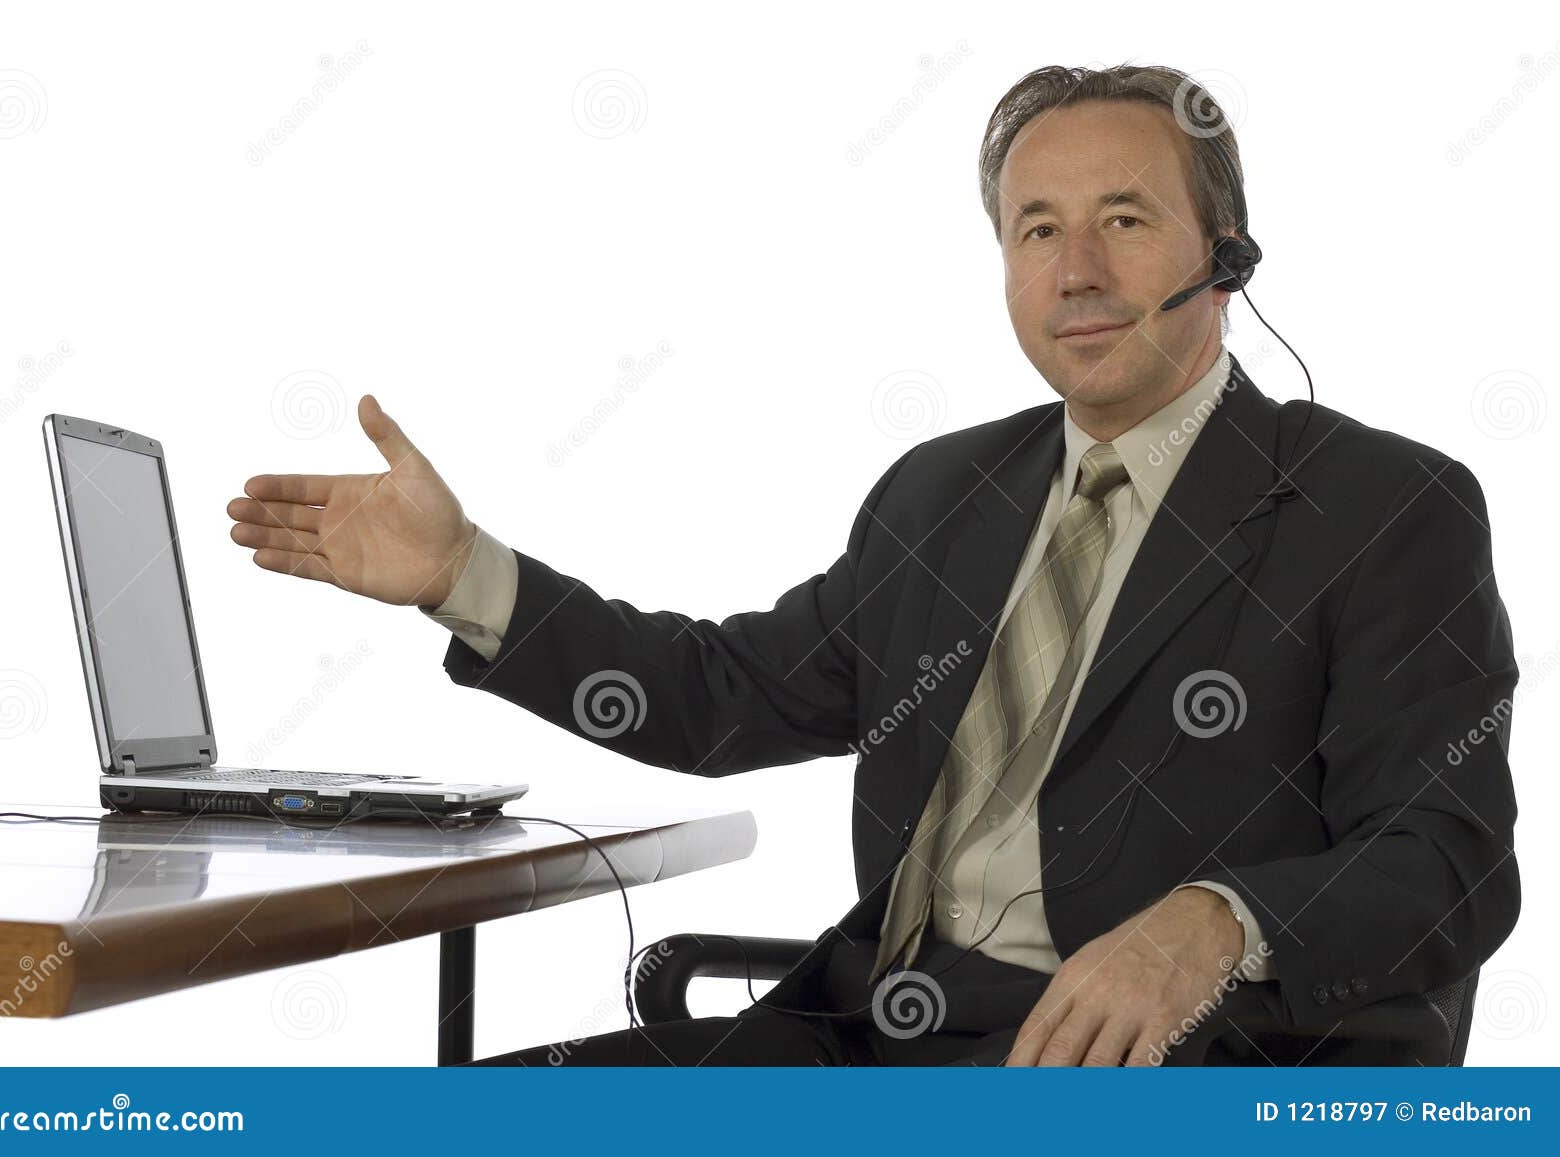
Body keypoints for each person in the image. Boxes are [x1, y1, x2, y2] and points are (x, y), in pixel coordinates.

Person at [227, 64, 1519, 1065]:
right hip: (866, 1035)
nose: (1075, 272)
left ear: (1224, 251)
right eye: (1035, 229)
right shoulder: (944, 494)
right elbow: (723, 691)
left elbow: (1448, 859)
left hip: (1141, 1068)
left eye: (1125, 219)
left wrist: (1220, 921)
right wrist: (465, 571)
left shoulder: (1380, 505)